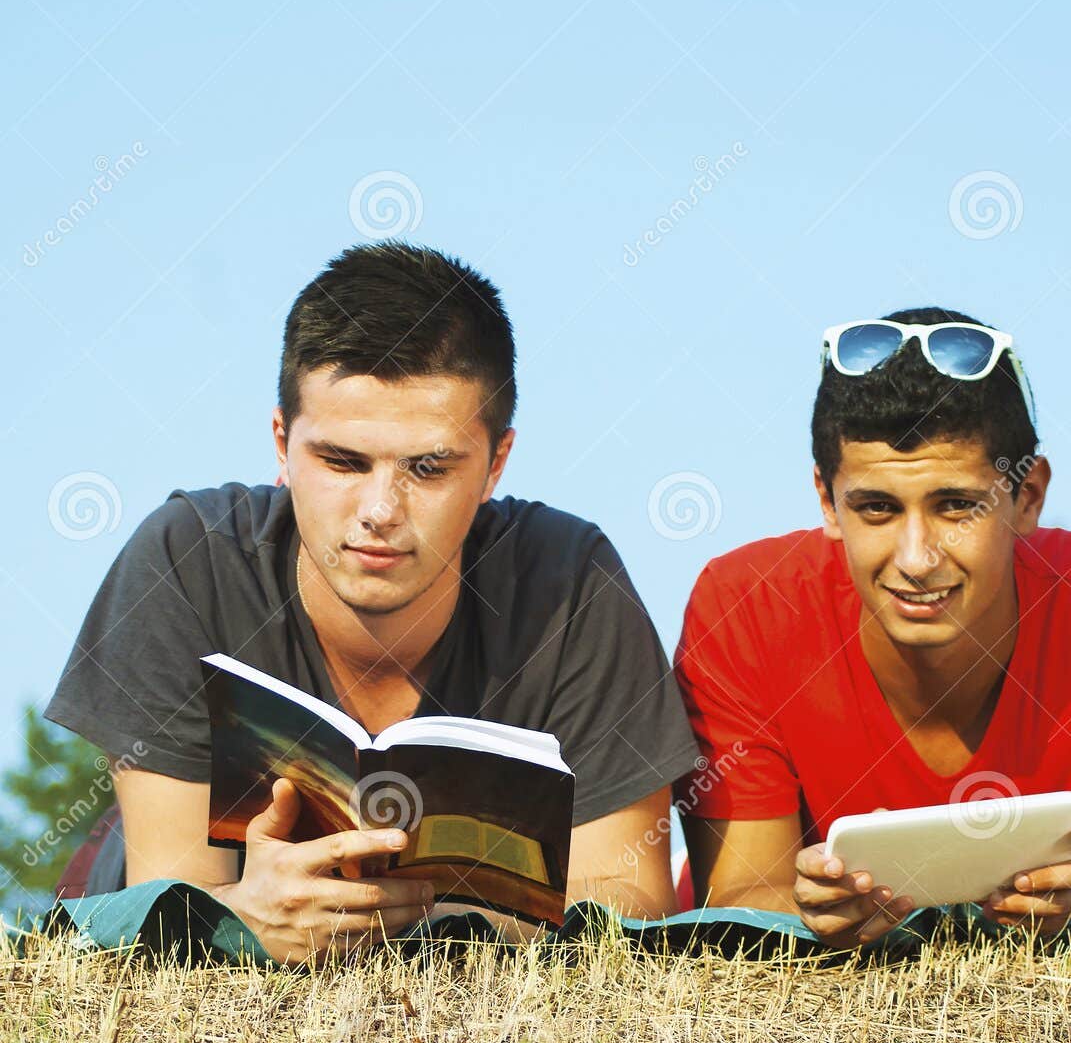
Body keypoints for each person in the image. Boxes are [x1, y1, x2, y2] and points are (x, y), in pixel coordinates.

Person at [45, 241, 699, 963]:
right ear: (281, 445)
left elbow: (633, 901)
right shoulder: (186, 559)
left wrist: (419, 914)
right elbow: (172, 887)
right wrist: (244, 916)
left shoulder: (570, 583)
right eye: (342, 462)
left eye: (429, 468)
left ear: (496, 464)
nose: (380, 510)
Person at [673, 306, 1071, 948]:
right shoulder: (750, 607)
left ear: (1027, 498)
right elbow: (743, 894)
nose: (917, 559)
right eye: (878, 508)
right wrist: (813, 915)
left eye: (957, 506)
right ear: (828, 502)